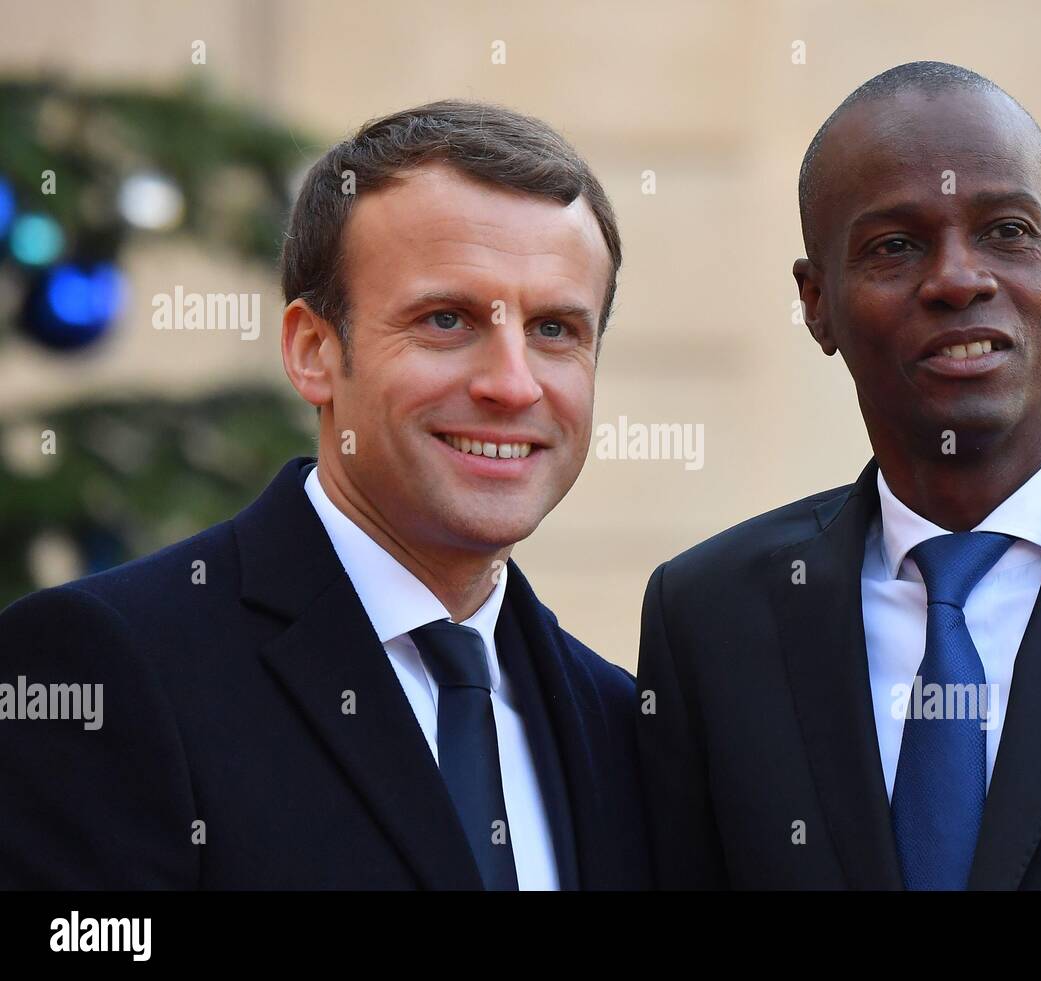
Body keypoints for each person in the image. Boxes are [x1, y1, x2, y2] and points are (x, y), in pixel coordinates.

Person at [635, 62, 1041, 890]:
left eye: (1007, 231)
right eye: (896, 245)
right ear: (817, 303)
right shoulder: (711, 616)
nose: (958, 278)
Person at [0, 100, 650, 890]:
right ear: (312, 350)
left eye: (554, 330)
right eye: (447, 319)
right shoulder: (108, 666)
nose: (512, 384)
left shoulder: (620, 722)